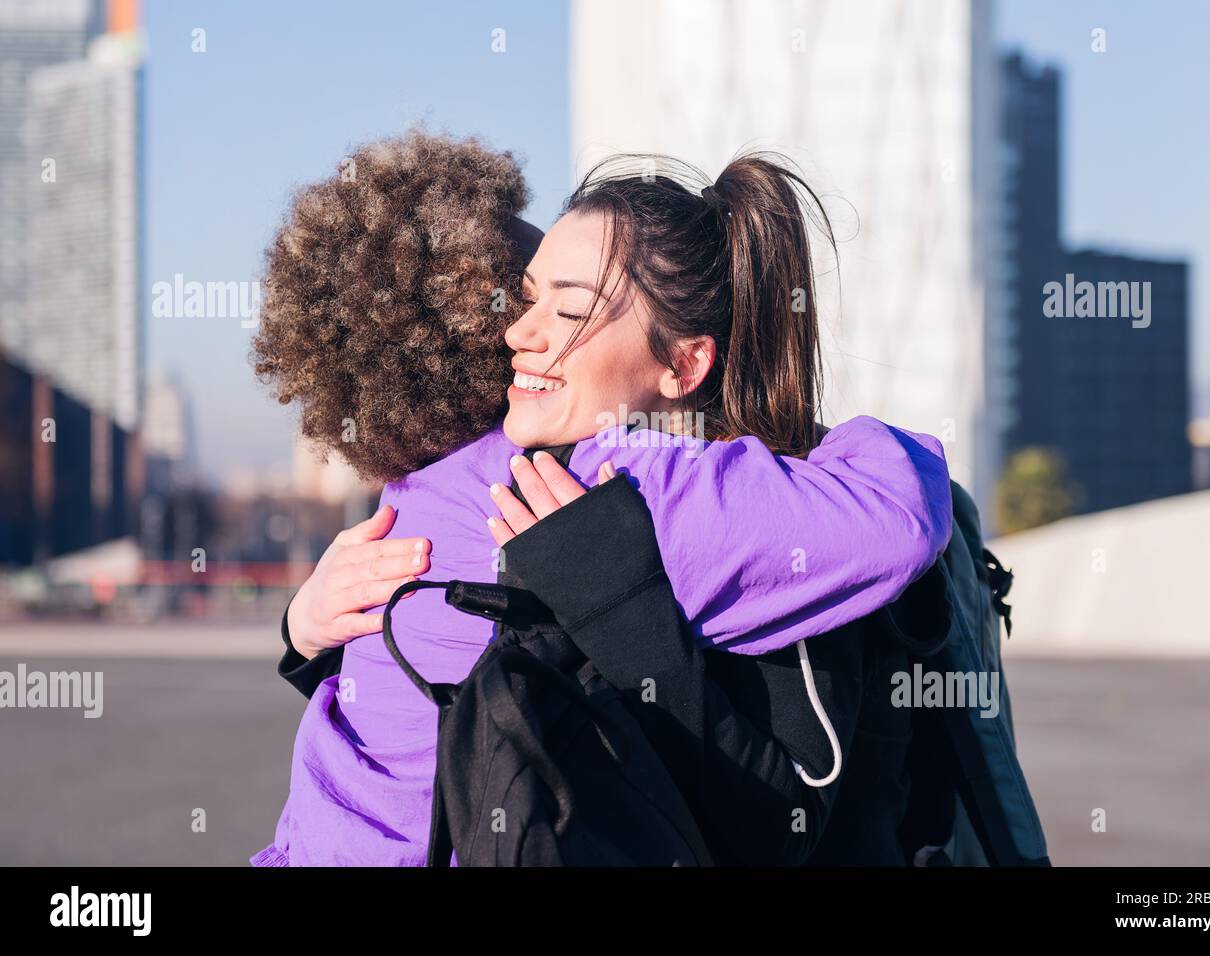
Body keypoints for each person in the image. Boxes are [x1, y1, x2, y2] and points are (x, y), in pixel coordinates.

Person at [255, 139, 951, 865]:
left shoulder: (416, 484)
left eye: (568, 309)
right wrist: (811, 442)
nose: (517, 332)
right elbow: (903, 515)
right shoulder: (626, 480)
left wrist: (303, 636)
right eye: (526, 298)